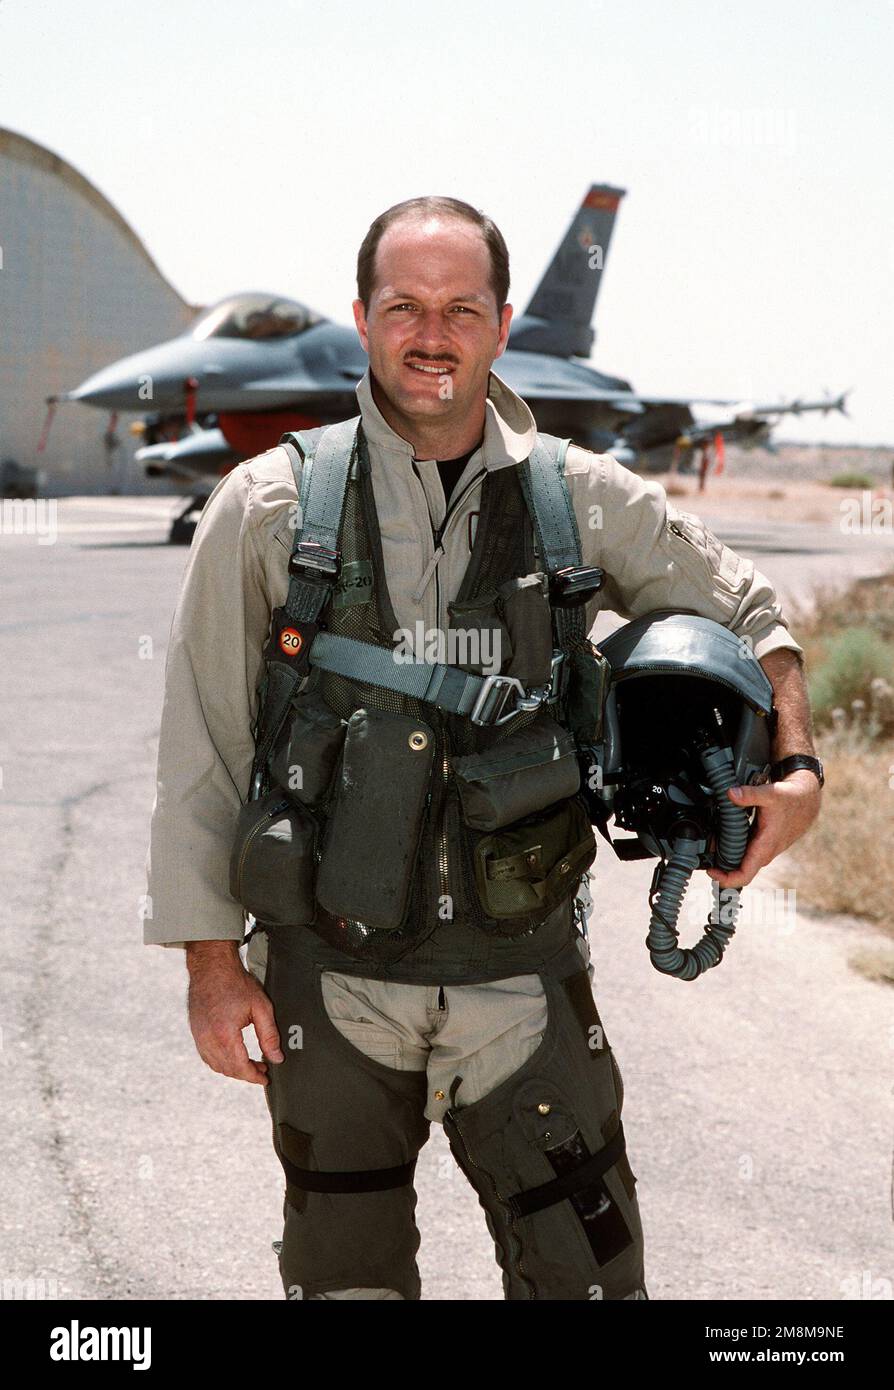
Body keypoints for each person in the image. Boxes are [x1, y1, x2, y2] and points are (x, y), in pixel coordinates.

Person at [145, 196, 823, 1300]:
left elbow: (751, 611)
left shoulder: (579, 498)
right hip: (332, 982)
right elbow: (204, 754)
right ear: (362, 317)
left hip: (524, 984)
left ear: (502, 325)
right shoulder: (268, 506)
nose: (433, 333)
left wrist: (797, 768)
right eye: (405, 305)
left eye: (462, 308)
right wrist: (212, 968)